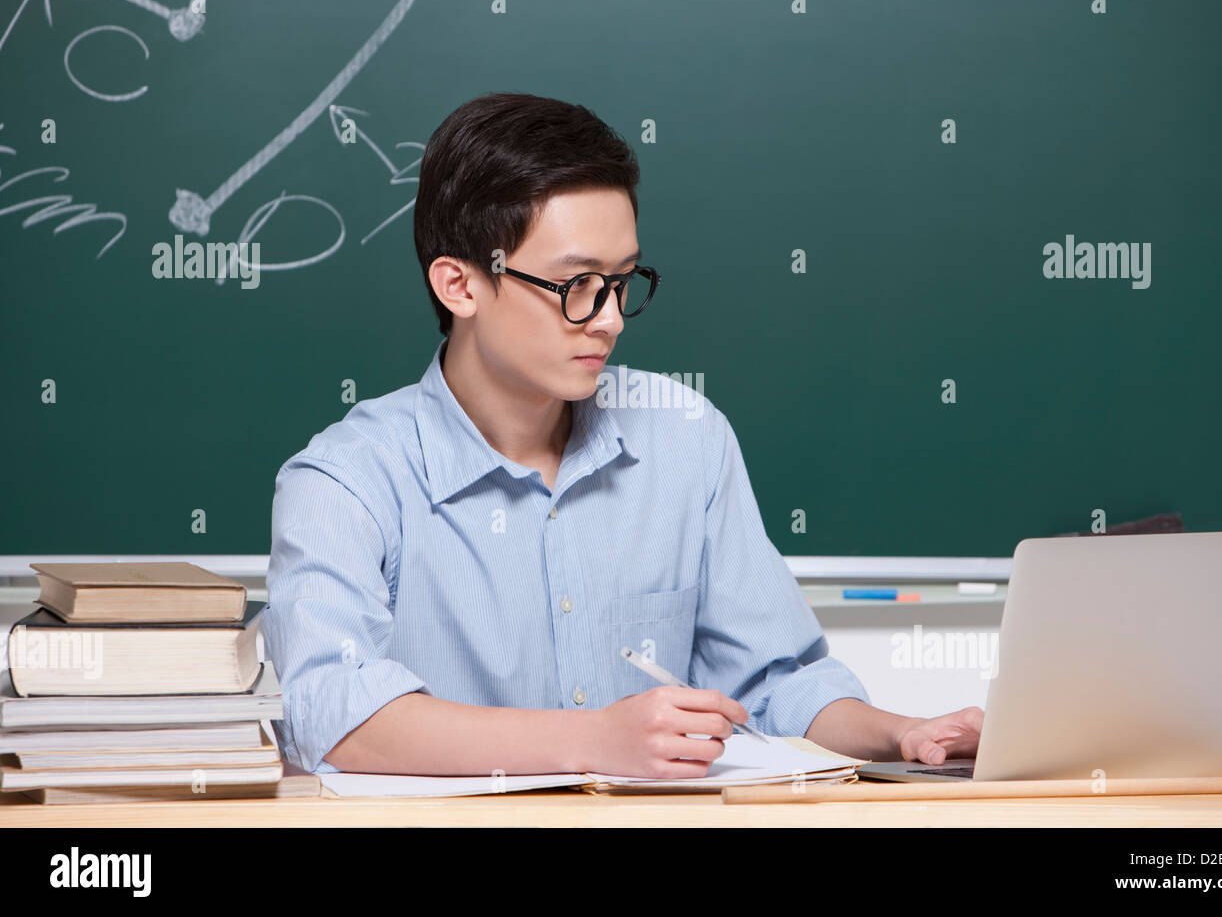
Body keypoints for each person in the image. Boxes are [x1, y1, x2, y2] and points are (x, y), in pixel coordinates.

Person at [261, 92, 983, 777]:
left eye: (622, 281)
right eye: (576, 285)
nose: (607, 318)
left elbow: (774, 683)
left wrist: (901, 735)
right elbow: (334, 713)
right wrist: (595, 741)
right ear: (460, 285)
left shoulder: (685, 439)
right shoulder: (345, 480)